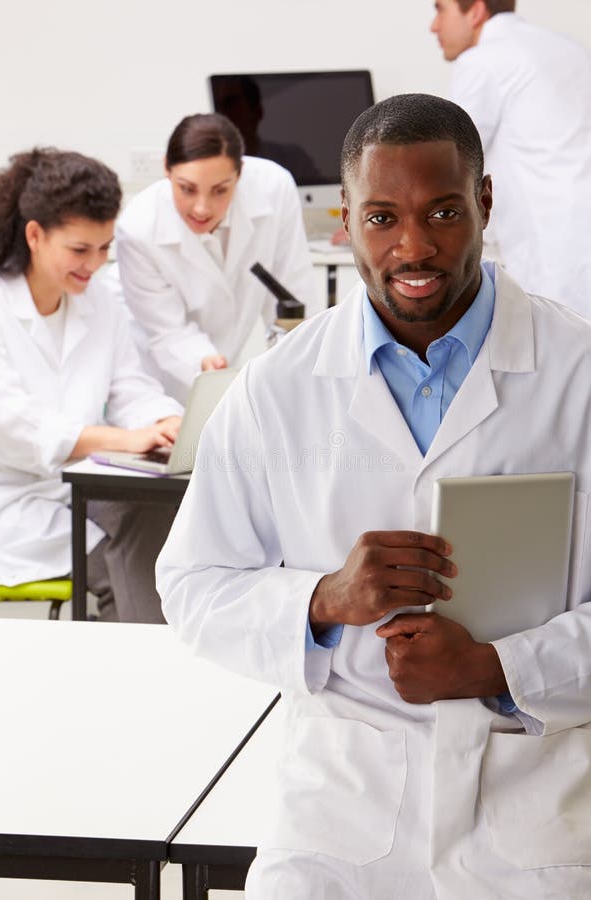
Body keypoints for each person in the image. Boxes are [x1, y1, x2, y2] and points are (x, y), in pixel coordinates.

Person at [157, 93, 591, 898]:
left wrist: (497, 666)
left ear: (485, 201)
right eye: (382, 218)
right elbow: (193, 585)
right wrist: (323, 600)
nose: (413, 247)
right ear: (346, 220)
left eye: (444, 212)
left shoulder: (580, 372)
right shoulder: (276, 389)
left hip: (541, 807)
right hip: (339, 813)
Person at [0, 148, 183, 623]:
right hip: (9, 502)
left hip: (80, 486)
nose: (95, 263)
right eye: (80, 250)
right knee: (131, 564)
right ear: (35, 235)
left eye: (104, 248)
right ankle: (138, 654)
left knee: (166, 523)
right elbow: (8, 420)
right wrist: (122, 439)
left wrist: (164, 421)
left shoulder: (98, 301)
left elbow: (128, 386)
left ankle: (151, 646)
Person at [114, 113, 316, 403]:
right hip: (157, 375)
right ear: (166, 169)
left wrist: (296, 369)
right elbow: (168, 333)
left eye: (220, 190)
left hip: (223, 365)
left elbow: (293, 292)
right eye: (187, 189)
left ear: (240, 173)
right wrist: (207, 362)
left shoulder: (274, 188)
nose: (202, 208)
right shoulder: (139, 227)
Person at [431, 0, 591, 317]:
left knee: (558, 337)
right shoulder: (569, 50)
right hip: (573, 235)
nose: (434, 26)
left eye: (441, 9)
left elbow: (445, 160)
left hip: (556, 248)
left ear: (475, 11)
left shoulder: (482, 61)